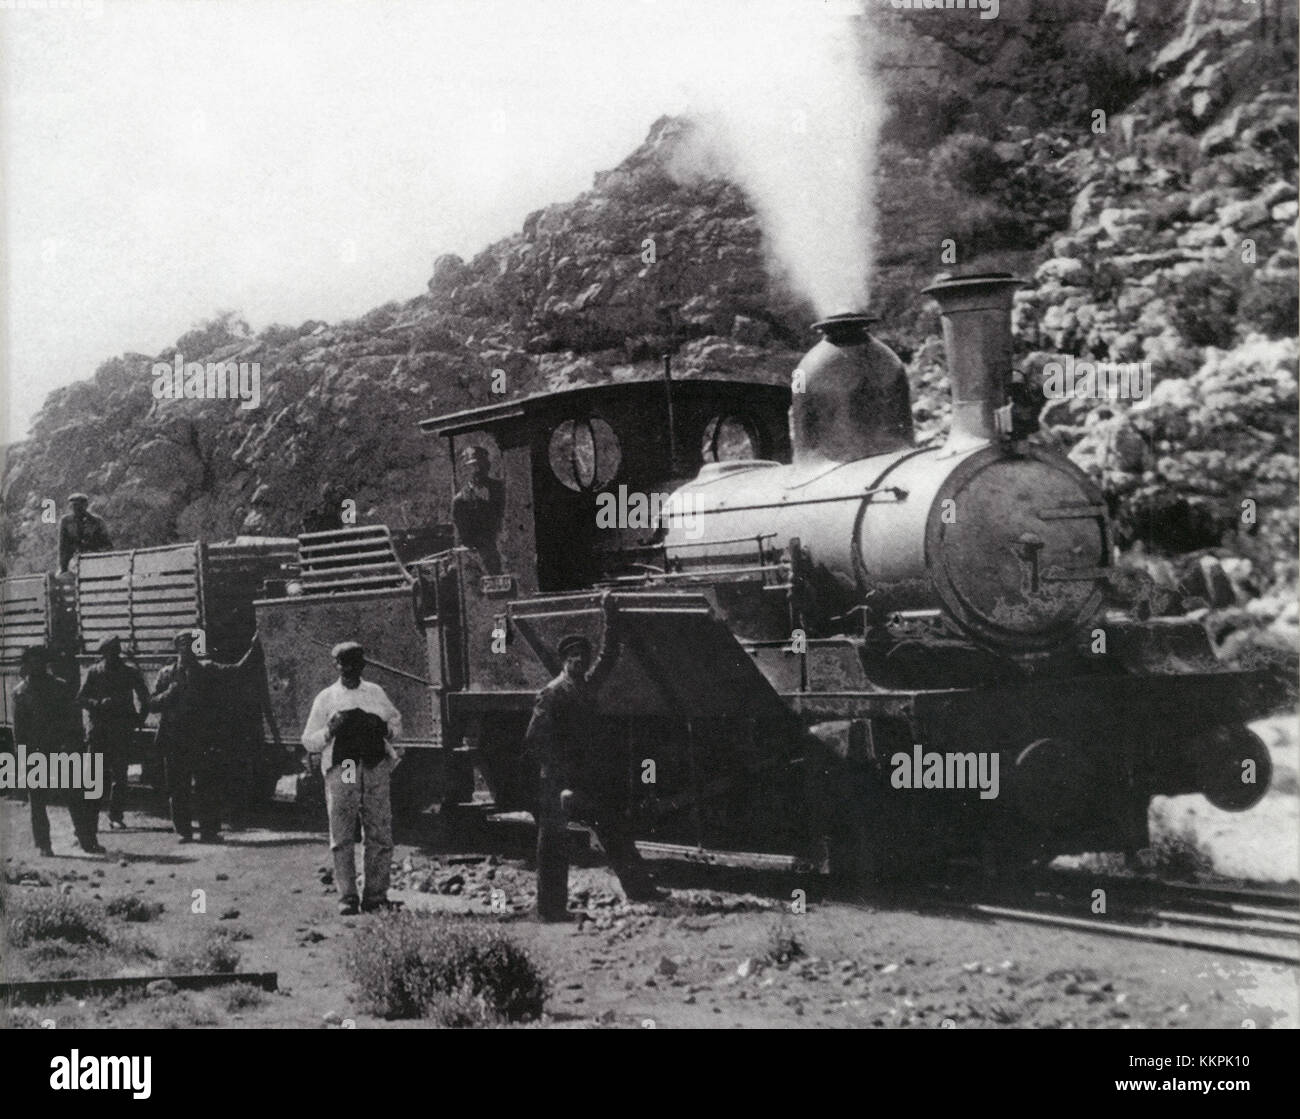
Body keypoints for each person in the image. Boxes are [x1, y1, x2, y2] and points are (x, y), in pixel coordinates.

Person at [524, 613, 661, 921]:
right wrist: (562, 784)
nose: (579, 662)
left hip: (585, 779)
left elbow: (608, 656)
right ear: (563, 661)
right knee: (553, 845)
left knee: (615, 828)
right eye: (573, 658)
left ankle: (640, 889)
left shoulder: (587, 685)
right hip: (557, 783)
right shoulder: (551, 693)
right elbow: (535, 742)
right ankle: (550, 910)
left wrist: (609, 617)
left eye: (582, 658)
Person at [301, 642, 403, 915]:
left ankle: (376, 896)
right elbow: (309, 741)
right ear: (336, 666)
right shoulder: (327, 697)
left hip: (373, 763)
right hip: (346, 763)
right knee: (343, 831)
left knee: (379, 831)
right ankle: (347, 896)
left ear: (363, 666)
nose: (350, 671)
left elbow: (396, 724)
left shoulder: (375, 693)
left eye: (355, 666)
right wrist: (329, 731)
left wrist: (382, 727)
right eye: (345, 666)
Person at [151, 629, 262, 843]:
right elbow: (152, 704)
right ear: (177, 648)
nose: (189, 650)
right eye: (185, 646)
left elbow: (238, 671)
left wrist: (254, 648)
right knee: (178, 788)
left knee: (207, 787)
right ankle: (183, 831)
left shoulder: (207, 669)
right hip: (174, 740)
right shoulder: (166, 674)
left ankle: (209, 831)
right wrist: (169, 694)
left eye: (193, 646)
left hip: (202, 740)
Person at [13, 646, 105, 856]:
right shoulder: (20, 692)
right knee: (37, 801)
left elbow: (71, 719)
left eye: (39, 661)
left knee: (75, 797)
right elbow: (19, 730)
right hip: (35, 753)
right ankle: (44, 845)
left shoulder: (59, 687)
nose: (35, 666)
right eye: (31, 662)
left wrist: (72, 744)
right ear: (26, 664)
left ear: (45, 663)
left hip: (60, 749)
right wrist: (22, 756)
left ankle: (87, 841)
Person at [77, 635, 149, 829]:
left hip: (121, 731)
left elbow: (145, 698)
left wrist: (138, 719)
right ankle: (89, 818)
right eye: (110, 652)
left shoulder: (130, 672)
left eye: (116, 651)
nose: (114, 655)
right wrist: (98, 704)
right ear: (103, 653)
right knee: (95, 774)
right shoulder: (94, 672)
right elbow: (81, 698)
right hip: (98, 730)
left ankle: (116, 816)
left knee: (120, 775)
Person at [451, 446, 505, 574]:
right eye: (473, 466)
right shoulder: (460, 501)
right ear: (466, 470)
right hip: (480, 555)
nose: (478, 470)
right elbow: (464, 535)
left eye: (482, 464)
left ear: (488, 466)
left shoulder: (500, 489)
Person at [58, 493, 113, 573]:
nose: (76, 509)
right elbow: (63, 547)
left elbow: (107, 545)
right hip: (74, 561)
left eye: (79, 506)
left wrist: (95, 554)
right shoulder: (66, 521)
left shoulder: (96, 521)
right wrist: (63, 568)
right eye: (73, 506)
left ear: (86, 506)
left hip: (94, 560)